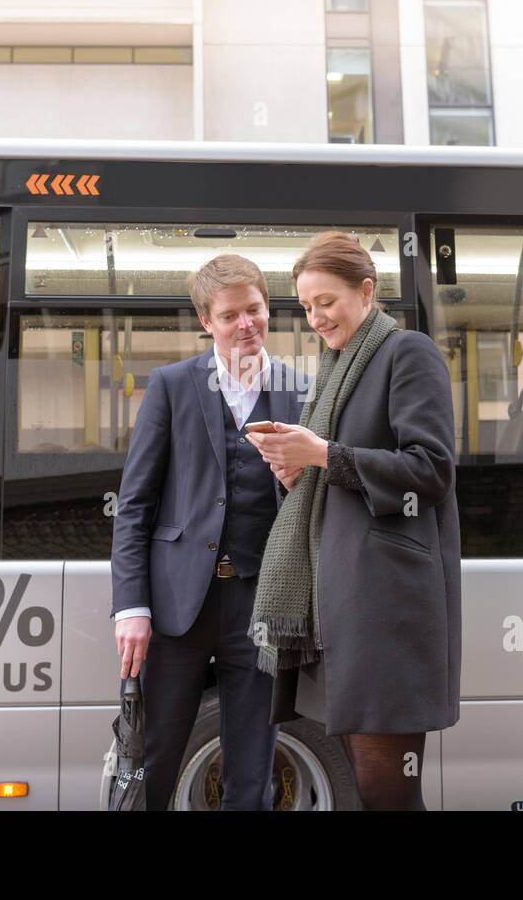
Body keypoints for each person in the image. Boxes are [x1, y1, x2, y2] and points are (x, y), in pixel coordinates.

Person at [246, 230, 461, 811]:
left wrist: (320, 455)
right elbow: (342, 472)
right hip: (343, 604)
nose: (316, 317)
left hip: (386, 608)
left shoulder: (406, 352)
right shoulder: (337, 365)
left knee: (387, 787)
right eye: (308, 306)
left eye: (328, 302)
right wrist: (296, 471)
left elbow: (431, 469)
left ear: (367, 292)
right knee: (373, 784)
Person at [110, 254, 304, 811]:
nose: (246, 324)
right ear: (206, 322)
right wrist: (131, 608)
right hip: (177, 608)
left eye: (255, 310)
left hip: (261, 607)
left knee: (254, 770)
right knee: (153, 761)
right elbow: (136, 507)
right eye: (229, 316)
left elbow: (313, 512)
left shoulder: (302, 391)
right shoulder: (171, 386)